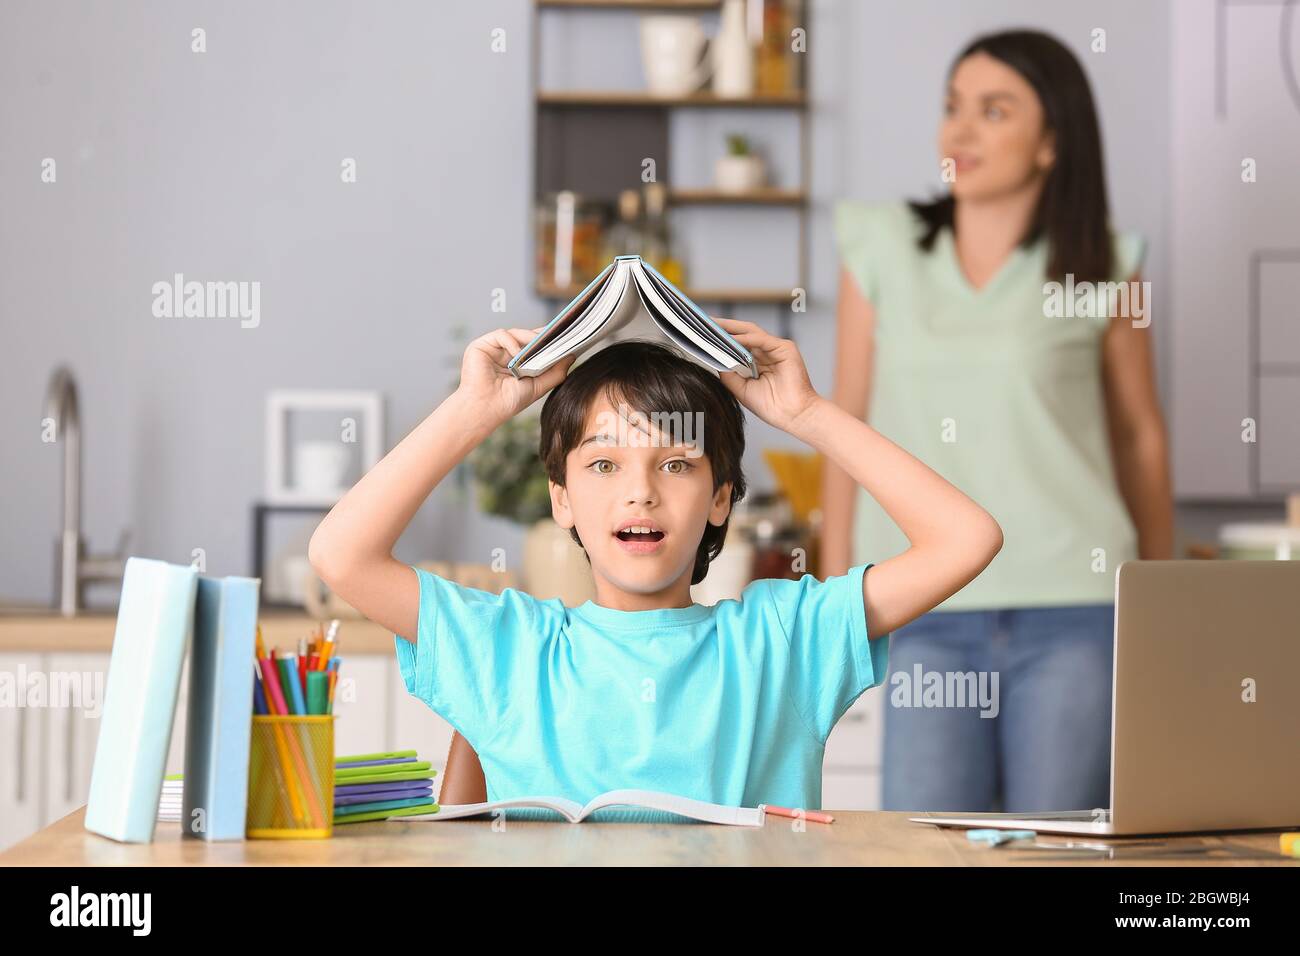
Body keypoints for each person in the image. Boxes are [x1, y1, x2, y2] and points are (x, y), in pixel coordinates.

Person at [309, 328, 1001, 816]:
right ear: (562, 500)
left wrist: (806, 414)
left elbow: (967, 539)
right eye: (604, 465)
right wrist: (475, 409)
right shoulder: (510, 645)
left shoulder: (786, 638)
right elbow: (342, 556)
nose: (640, 491)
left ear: (723, 496)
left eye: (676, 465)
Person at [822, 30, 1173, 813]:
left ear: (1052, 140)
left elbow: (1138, 435)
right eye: (953, 108)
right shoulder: (878, 247)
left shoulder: (1106, 263)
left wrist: (1161, 601)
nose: (961, 131)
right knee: (927, 853)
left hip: (1078, 607)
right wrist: (836, 600)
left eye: (994, 110)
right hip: (924, 604)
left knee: (1058, 853)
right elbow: (844, 423)